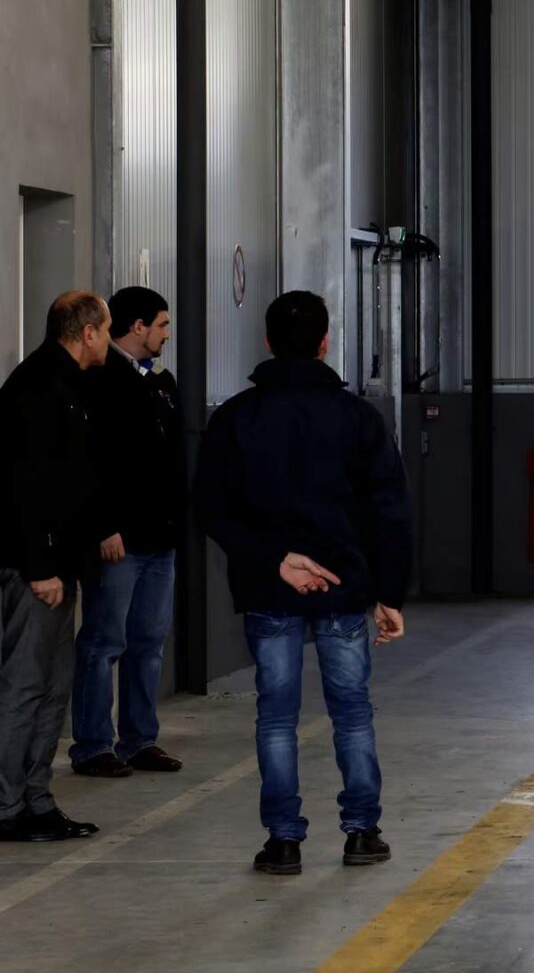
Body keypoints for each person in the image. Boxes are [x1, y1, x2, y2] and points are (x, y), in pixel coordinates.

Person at [196, 291, 411, 876]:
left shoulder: (235, 418)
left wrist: (275, 559)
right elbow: (390, 510)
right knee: (352, 712)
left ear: (266, 342)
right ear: (324, 343)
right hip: (344, 589)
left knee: (275, 716)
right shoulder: (359, 419)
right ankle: (363, 833)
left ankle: (284, 841)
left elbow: (212, 509)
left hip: (270, 590)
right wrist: (389, 594)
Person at [0, 292, 112, 841]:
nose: (109, 341)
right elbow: (26, 485)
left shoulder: (69, 384)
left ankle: (36, 799)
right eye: (107, 329)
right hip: (35, 571)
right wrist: (41, 565)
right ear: (86, 332)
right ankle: (6, 804)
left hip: (59, 565)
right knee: (24, 686)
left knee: (51, 687)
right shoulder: (39, 386)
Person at [68, 287, 185, 777]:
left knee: (148, 641)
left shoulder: (162, 383)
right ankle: (93, 744)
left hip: (160, 538)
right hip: (120, 540)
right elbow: (87, 463)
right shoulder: (98, 380)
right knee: (103, 641)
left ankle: (140, 739)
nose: (165, 335)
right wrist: (104, 526)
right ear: (136, 326)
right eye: (160, 325)